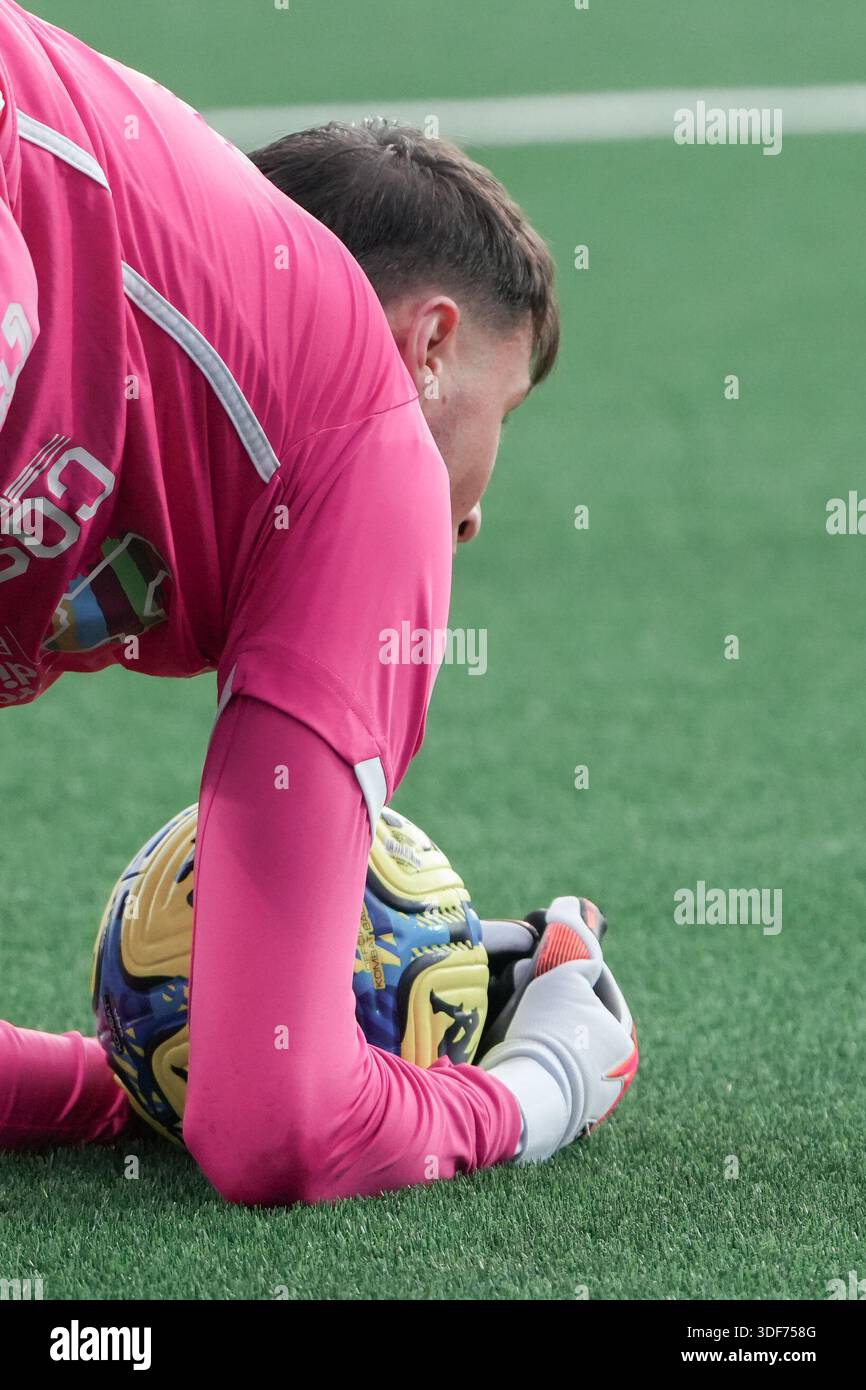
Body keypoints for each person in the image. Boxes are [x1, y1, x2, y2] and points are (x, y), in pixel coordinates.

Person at [0, 0, 636, 1203]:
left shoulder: (140, 358)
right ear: (427, 347)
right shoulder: (366, 421)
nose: (470, 520)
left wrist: (127, 1084)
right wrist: (547, 1079)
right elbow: (276, 1126)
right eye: (497, 419)